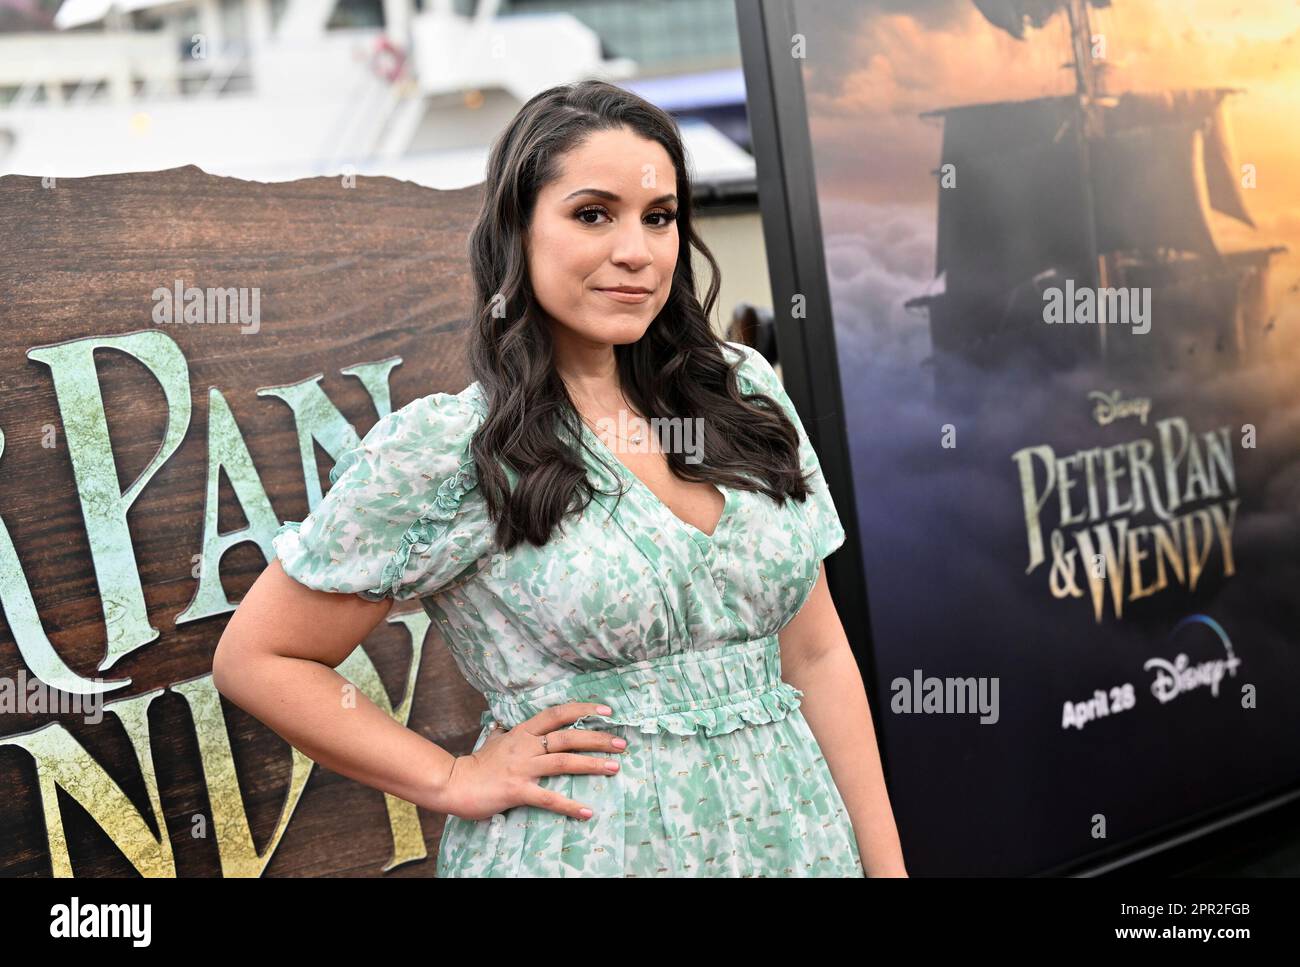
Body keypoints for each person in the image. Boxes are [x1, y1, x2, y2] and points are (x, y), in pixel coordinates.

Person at [213, 79, 907, 878]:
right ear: (518, 232)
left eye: (658, 217)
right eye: (591, 214)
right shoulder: (453, 449)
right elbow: (259, 656)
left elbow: (816, 657)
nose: (635, 252)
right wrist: (450, 777)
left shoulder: (743, 392)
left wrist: (885, 868)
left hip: (797, 846)